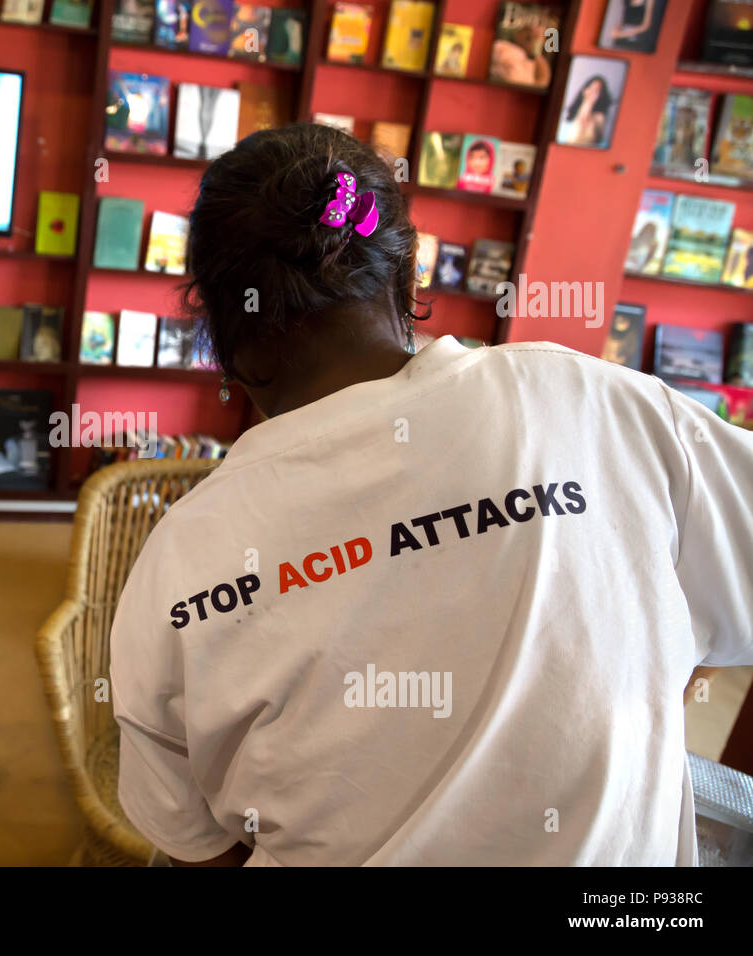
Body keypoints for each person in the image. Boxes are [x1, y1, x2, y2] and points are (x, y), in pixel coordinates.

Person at [108, 123, 753, 866]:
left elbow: (198, 845)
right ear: (407, 280)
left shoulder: (180, 562)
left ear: (220, 342)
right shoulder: (587, 401)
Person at [562, 75, 613, 148]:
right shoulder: (569, 112)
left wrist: (589, 103)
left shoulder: (599, 117)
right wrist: (586, 102)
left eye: (596, 90)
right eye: (591, 88)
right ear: (585, 90)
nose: (592, 92)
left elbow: (581, 134)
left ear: (601, 95)